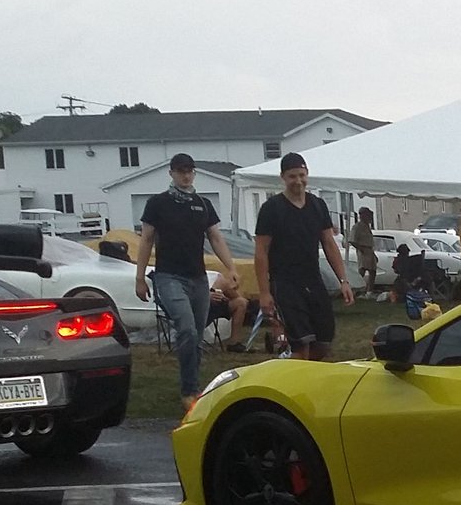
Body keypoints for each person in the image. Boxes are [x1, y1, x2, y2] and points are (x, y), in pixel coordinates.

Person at [133, 153, 239, 414]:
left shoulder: (202, 204)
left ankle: (194, 386)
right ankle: (189, 390)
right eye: (181, 171)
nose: (186, 175)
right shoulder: (158, 203)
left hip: (198, 278)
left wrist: (231, 267)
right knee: (187, 330)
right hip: (169, 277)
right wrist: (139, 277)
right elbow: (146, 240)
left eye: (190, 170)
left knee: (196, 334)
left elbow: (215, 237)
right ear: (171, 173)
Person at [253, 152, 354, 361]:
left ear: (307, 174)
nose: (298, 181)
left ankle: (301, 376)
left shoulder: (317, 206)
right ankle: (286, 377)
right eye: (292, 176)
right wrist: (264, 292)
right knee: (301, 346)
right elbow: (261, 252)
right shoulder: (272, 209)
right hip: (285, 283)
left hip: (313, 281)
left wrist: (344, 280)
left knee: (323, 344)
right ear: (283, 177)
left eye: (301, 175)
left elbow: (329, 243)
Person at [209, 269, 250, 353]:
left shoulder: (206, 276)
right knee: (222, 283)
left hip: (209, 308)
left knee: (241, 302)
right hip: (191, 307)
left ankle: (234, 343)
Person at [350, 207, 378, 296]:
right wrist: (361, 249)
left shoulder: (367, 227)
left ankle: (369, 291)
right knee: (362, 270)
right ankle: (355, 290)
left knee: (373, 271)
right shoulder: (357, 227)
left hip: (370, 250)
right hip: (363, 250)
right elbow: (352, 240)